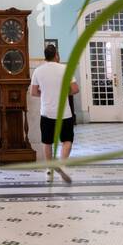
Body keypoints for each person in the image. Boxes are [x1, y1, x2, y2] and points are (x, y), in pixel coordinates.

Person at [30, 43, 79, 184]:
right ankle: (62, 165)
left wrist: (45, 94)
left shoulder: (38, 71)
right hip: (64, 113)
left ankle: (49, 171)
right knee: (67, 140)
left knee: (47, 142)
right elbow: (75, 89)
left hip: (46, 112)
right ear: (56, 55)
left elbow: (33, 92)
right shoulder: (65, 69)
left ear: (45, 56)